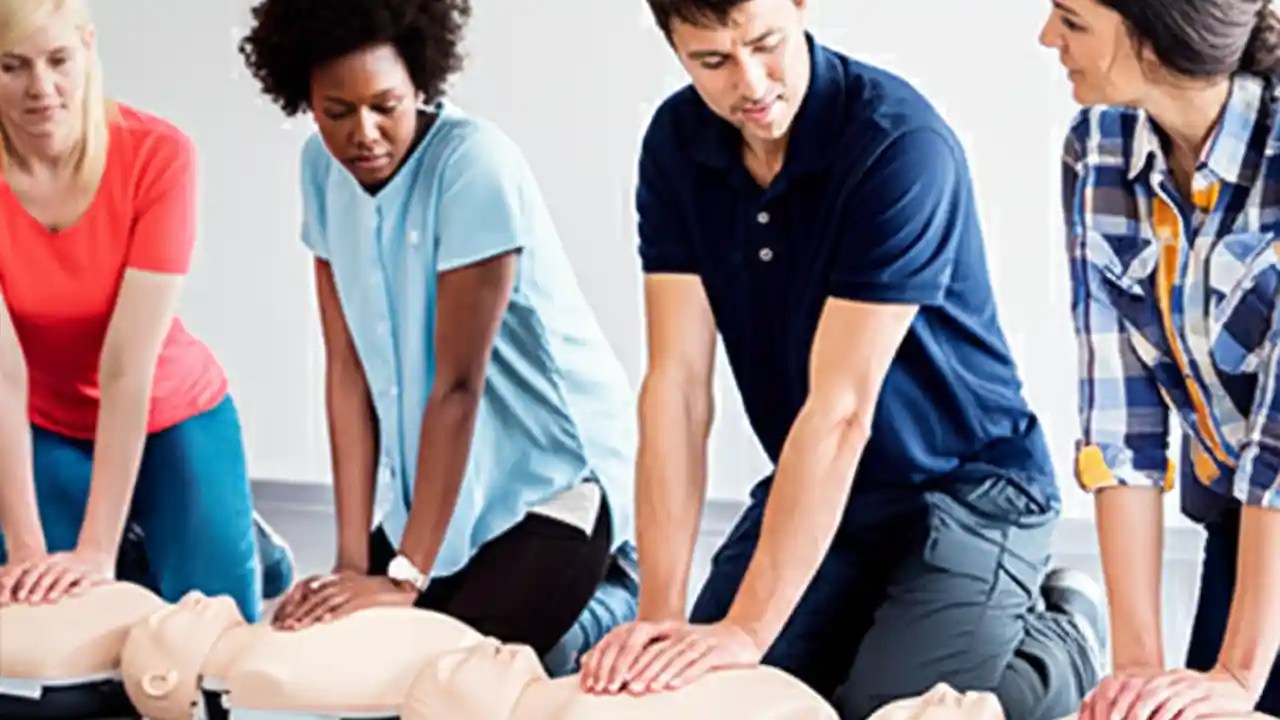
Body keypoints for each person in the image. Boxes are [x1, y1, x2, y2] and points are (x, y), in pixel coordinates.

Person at [579, 1, 1108, 719]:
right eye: (712, 62)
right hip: (833, 491)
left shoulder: (896, 145)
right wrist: (660, 616)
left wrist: (744, 630)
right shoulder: (678, 144)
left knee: (889, 713)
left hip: (969, 491)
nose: (752, 82)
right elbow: (676, 388)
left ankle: (1065, 634)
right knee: (709, 698)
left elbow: (842, 410)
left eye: (766, 44)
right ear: (673, 45)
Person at [236, 0, 640, 670]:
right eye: (337, 112)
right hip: (442, 478)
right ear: (304, 98)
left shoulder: (473, 166)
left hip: (553, 478)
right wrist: (348, 562)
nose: (363, 132)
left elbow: (458, 386)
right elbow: (347, 371)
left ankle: (613, 598)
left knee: (441, 666)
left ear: (420, 83)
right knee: (346, 648)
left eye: (385, 105)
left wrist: (402, 578)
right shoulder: (320, 169)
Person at [0, 0, 291, 625]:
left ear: (88, 47)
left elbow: (127, 368)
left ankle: (247, 544)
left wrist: (96, 550)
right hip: (45, 421)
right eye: (11, 67)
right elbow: (2, 375)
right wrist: (26, 551)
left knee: (203, 622)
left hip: (168, 408)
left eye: (58, 61)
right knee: (52, 600)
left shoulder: (158, 154)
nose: (40, 90)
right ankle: (136, 536)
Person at [1042, 0, 1280, 717]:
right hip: (1245, 519)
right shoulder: (1098, 148)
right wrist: (1136, 674)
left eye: (1071, 19)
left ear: (1158, 33)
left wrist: (1239, 675)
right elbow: (1121, 428)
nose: (1048, 38)